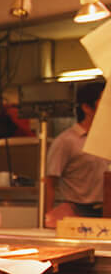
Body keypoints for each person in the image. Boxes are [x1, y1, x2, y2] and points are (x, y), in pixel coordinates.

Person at [44, 78, 108, 226]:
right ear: (87, 107)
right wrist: (48, 217)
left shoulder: (107, 138)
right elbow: (50, 182)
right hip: (76, 212)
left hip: (105, 212)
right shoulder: (66, 141)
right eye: (103, 100)